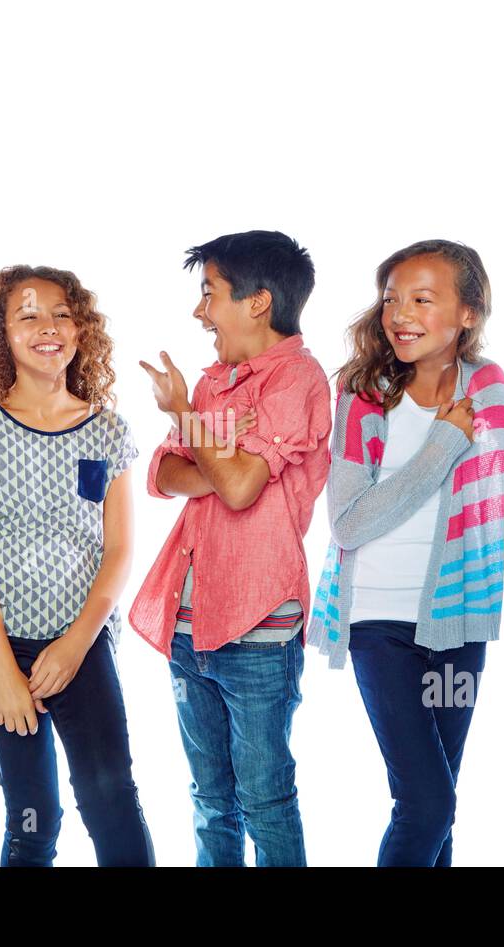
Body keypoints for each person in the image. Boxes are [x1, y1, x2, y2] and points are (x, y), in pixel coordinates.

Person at [308, 238, 504, 866]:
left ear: (468, 314)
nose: (400, 314)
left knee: (442, 802)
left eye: (421, 299)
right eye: (391, 300)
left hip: (458, 620)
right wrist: (443, 444)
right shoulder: (365, 396)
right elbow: (349, 525)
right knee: (426, 805)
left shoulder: (487, 388)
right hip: (378, 623)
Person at [132, 230, 331, 866]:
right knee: (211, 796)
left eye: (209, 294)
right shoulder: (215, 382)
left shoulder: (297, 380)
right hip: (190, 623)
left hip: (258, 630)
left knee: (265, 797)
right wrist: (210, 446)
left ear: (258, 302)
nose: (199, 312)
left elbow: (241, 487)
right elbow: (163, 475)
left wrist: (185, 415)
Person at [0, 265, 153, 866]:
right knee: (35, 815)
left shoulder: (107, 430)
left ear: (82, 329)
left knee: (111, 797)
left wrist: (73, 646)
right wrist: (4, 671)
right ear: (1, 335)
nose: (48, 327)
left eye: (62, 313)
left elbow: (117, 551)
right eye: (28, 314)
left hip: (81, 643)